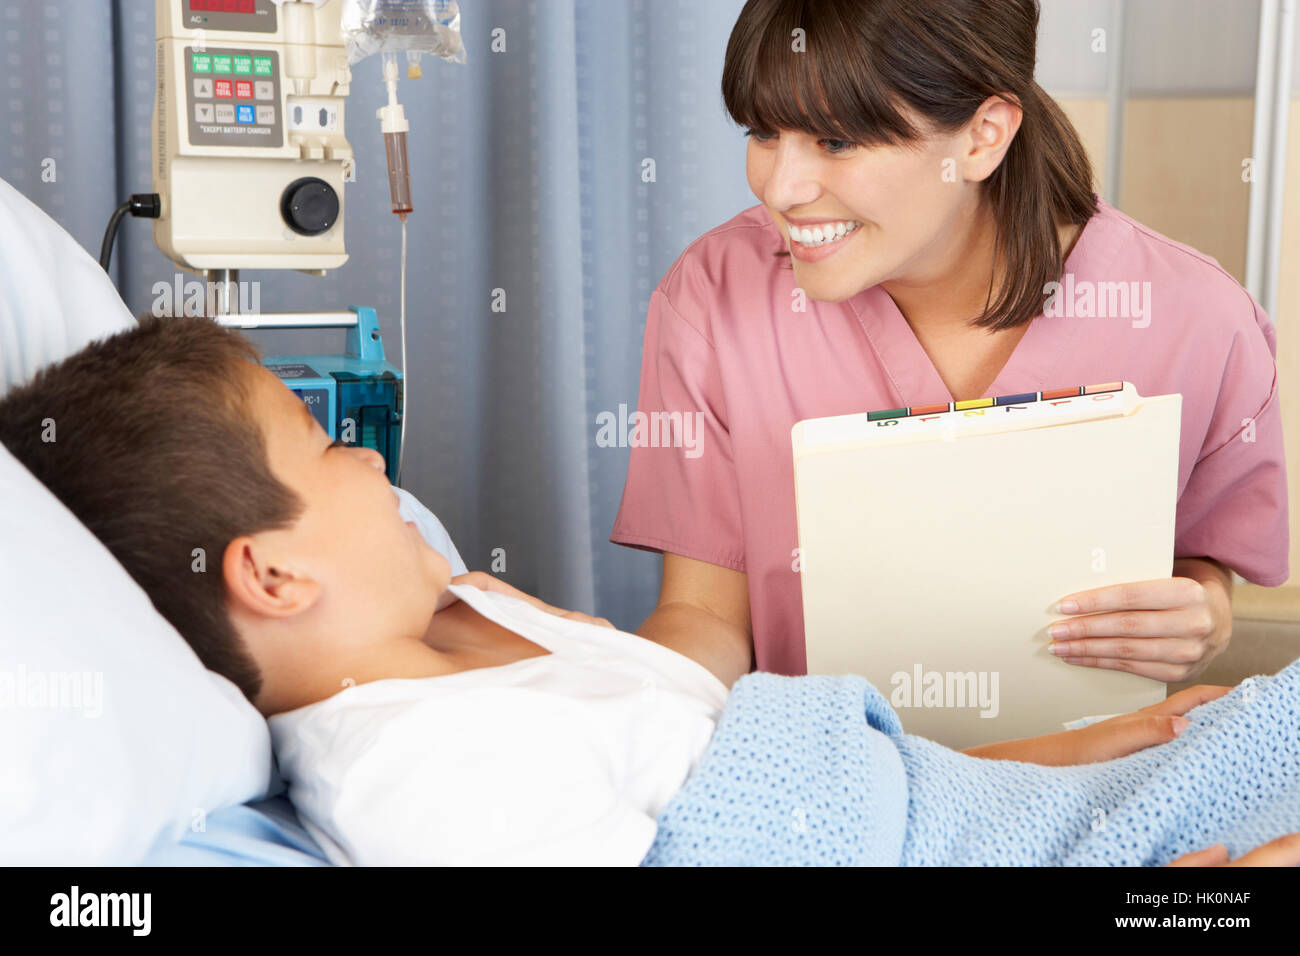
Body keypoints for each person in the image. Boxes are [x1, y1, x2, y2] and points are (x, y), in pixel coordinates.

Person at [1, 315, 1296, 866]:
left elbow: (736, 758)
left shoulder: (476, 623)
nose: (369, 460)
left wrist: (1056, 754)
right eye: (324, 441)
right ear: (273, 572)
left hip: (962, 803)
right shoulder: (420, 780)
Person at [612, 0, 1288, 686]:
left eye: (836, 142)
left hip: (1087, 780)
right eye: (763, 132)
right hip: (831, 779)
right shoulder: (716, 292)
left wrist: (1204, 613)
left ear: (982, 136)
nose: (781, 189)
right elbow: (703, 618)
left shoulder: (1196, 320)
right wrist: (605, 680)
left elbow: (1203, 564)